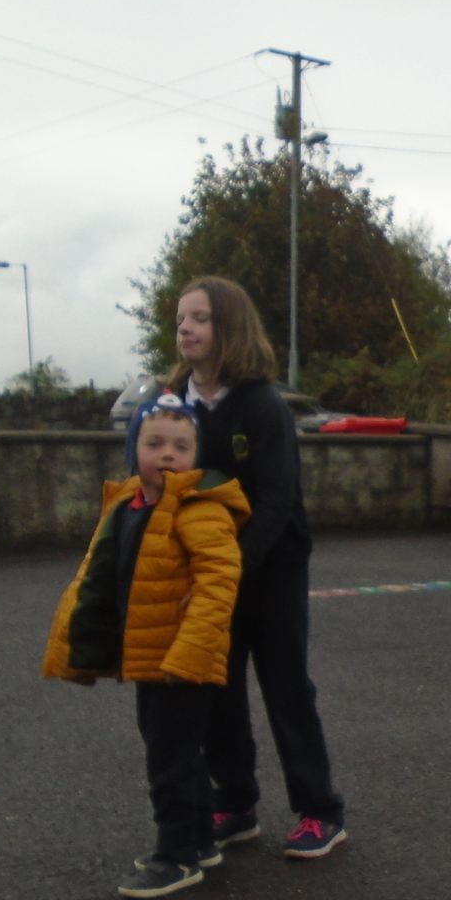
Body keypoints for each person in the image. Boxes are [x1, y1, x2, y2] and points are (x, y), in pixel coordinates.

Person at [146, 274, 349, 859]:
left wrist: (235, 568)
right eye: (182, 318)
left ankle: (319, 810)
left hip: (272, 568)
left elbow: (280, 501)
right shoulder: (174, 404)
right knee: (218, 687)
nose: (185, 327)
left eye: (200, 318)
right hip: (212, 575)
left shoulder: (261, 406)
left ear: (228, 327)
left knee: (286, 687)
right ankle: (235, 805)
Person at [44, 395, 250, 899]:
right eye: (153, 442)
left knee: (169, 758)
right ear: (132, 447)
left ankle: (175, 856)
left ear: (196, 456)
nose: (167, 454)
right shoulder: (131, 502)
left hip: (181, 658)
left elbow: (219, 583)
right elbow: (99, 574)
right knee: (175, 751)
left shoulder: (199, 507)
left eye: (181, 446)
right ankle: (199, 841)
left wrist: (188, 655)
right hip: (149, 656)